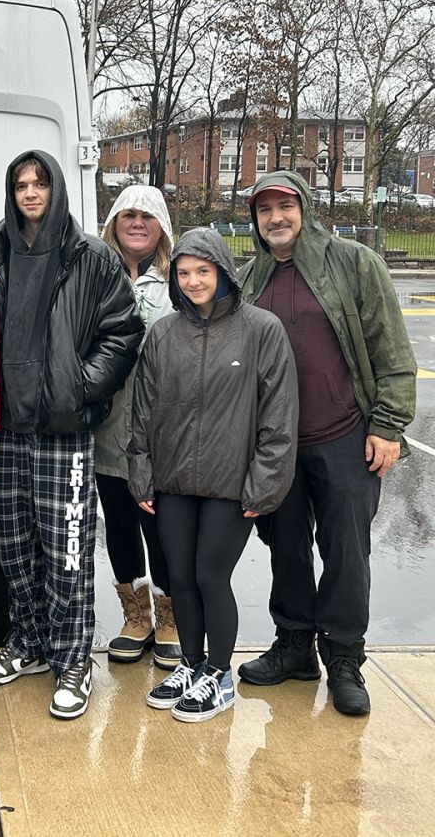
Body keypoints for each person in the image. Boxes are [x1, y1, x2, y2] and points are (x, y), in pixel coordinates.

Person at [236, 171, 417, 715]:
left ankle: (344, 658)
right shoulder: (247, 279)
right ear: (256, 219)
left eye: (284, 207)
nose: (275, 218)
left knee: (345, 551)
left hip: (345, 435)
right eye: (264, 210)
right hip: (276, 445)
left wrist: (387, 425)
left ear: (304, 208)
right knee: (285, 546)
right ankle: (294, 646)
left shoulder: (354, 263)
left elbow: (392, 350)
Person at [0, 150, 142, 720]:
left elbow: (123, 331)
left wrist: (78, 387)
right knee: (15, 548)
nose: (29, 193)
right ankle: (29, 644)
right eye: (19, 184)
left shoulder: (90, 256)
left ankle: (73, 659)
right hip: (9, 429)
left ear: (56, 189)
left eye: (39, 183)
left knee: (66, 551)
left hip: (63, 432)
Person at [130, 228, 298, 722]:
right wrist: (141, 470)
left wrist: (265, 482)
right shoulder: (163, 334)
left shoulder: (261, 329)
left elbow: (278, 413)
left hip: (232, 483)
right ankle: (190, 663)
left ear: (223, 271)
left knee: (209, 575)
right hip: (174, 479)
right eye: (183, 273)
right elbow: (142, 411)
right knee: (179, 577)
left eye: (203, 271)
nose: (193, 281)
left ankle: (218, 673)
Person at [94, 185, 180, 668]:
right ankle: (135, 614)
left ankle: (169, 616)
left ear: (162, 225)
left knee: (161, 528)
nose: (137, 223)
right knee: (121, 526)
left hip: (161, 434)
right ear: (113, 223)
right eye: (127, 215)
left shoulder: (176, 281)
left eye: (147, 216)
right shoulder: (97, 276)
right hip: (107, 430)